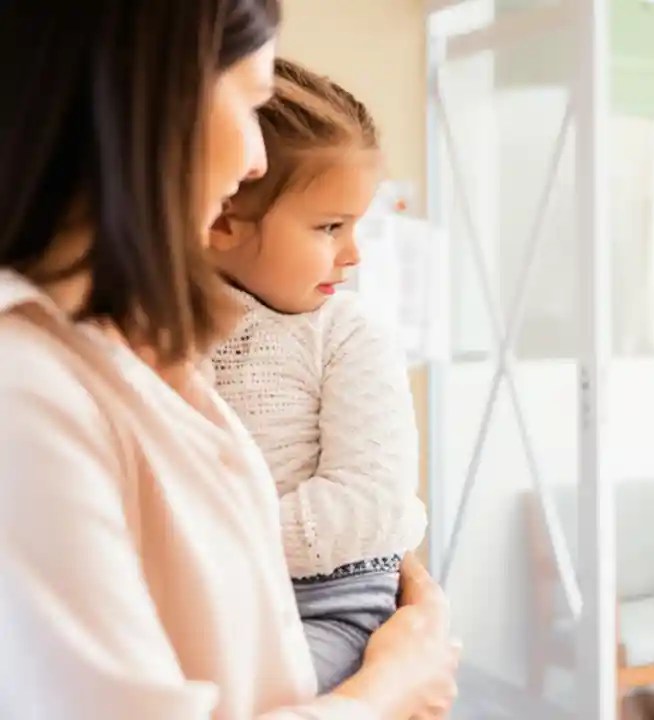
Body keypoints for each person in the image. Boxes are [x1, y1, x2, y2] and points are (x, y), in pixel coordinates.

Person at [0, 1, 457, 717]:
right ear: (152, 103)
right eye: (251, 103)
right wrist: (392, 688)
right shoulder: (30, 385)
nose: (255, 159)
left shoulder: (138, 352)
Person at [208, 58, 427, 693]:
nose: (353, 252)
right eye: (330, 227)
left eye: (356, 224)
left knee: (259, 696)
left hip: (333, 600)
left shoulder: (347, 332)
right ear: (223, 220)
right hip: (224, 588)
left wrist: (215, 544)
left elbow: (370, 500)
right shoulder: (172, 329)